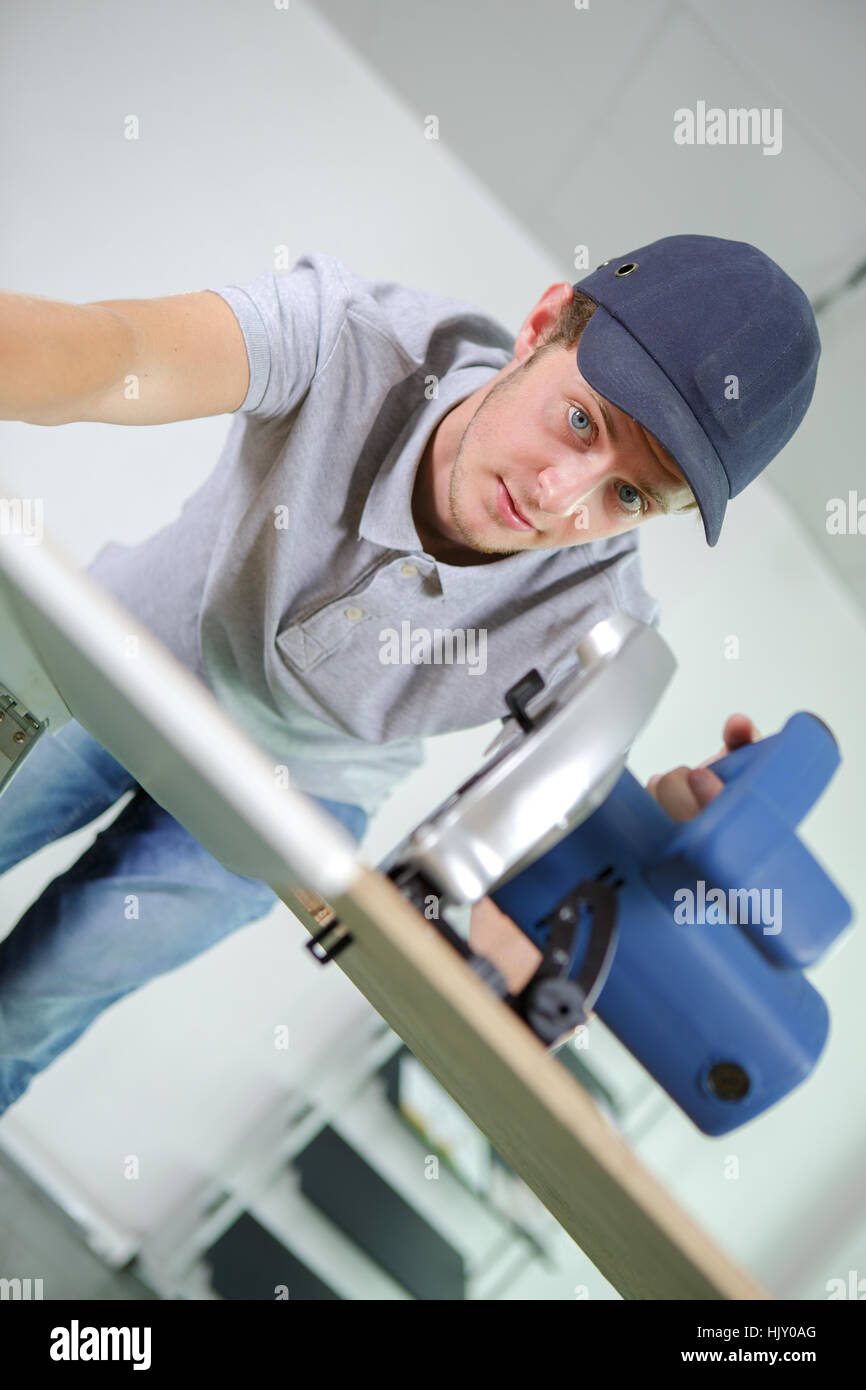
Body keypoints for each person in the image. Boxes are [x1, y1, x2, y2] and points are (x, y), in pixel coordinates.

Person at [0, 234, 820, 1114]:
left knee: (28, 1010)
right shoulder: (352, 339)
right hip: (130, 651)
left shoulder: (603, 624)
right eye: (584, 420)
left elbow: (520, 897)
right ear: (544, 325)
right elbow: (112, 356)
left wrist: (645, 876)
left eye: (626, 496)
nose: (559, 495)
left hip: (294, 802)